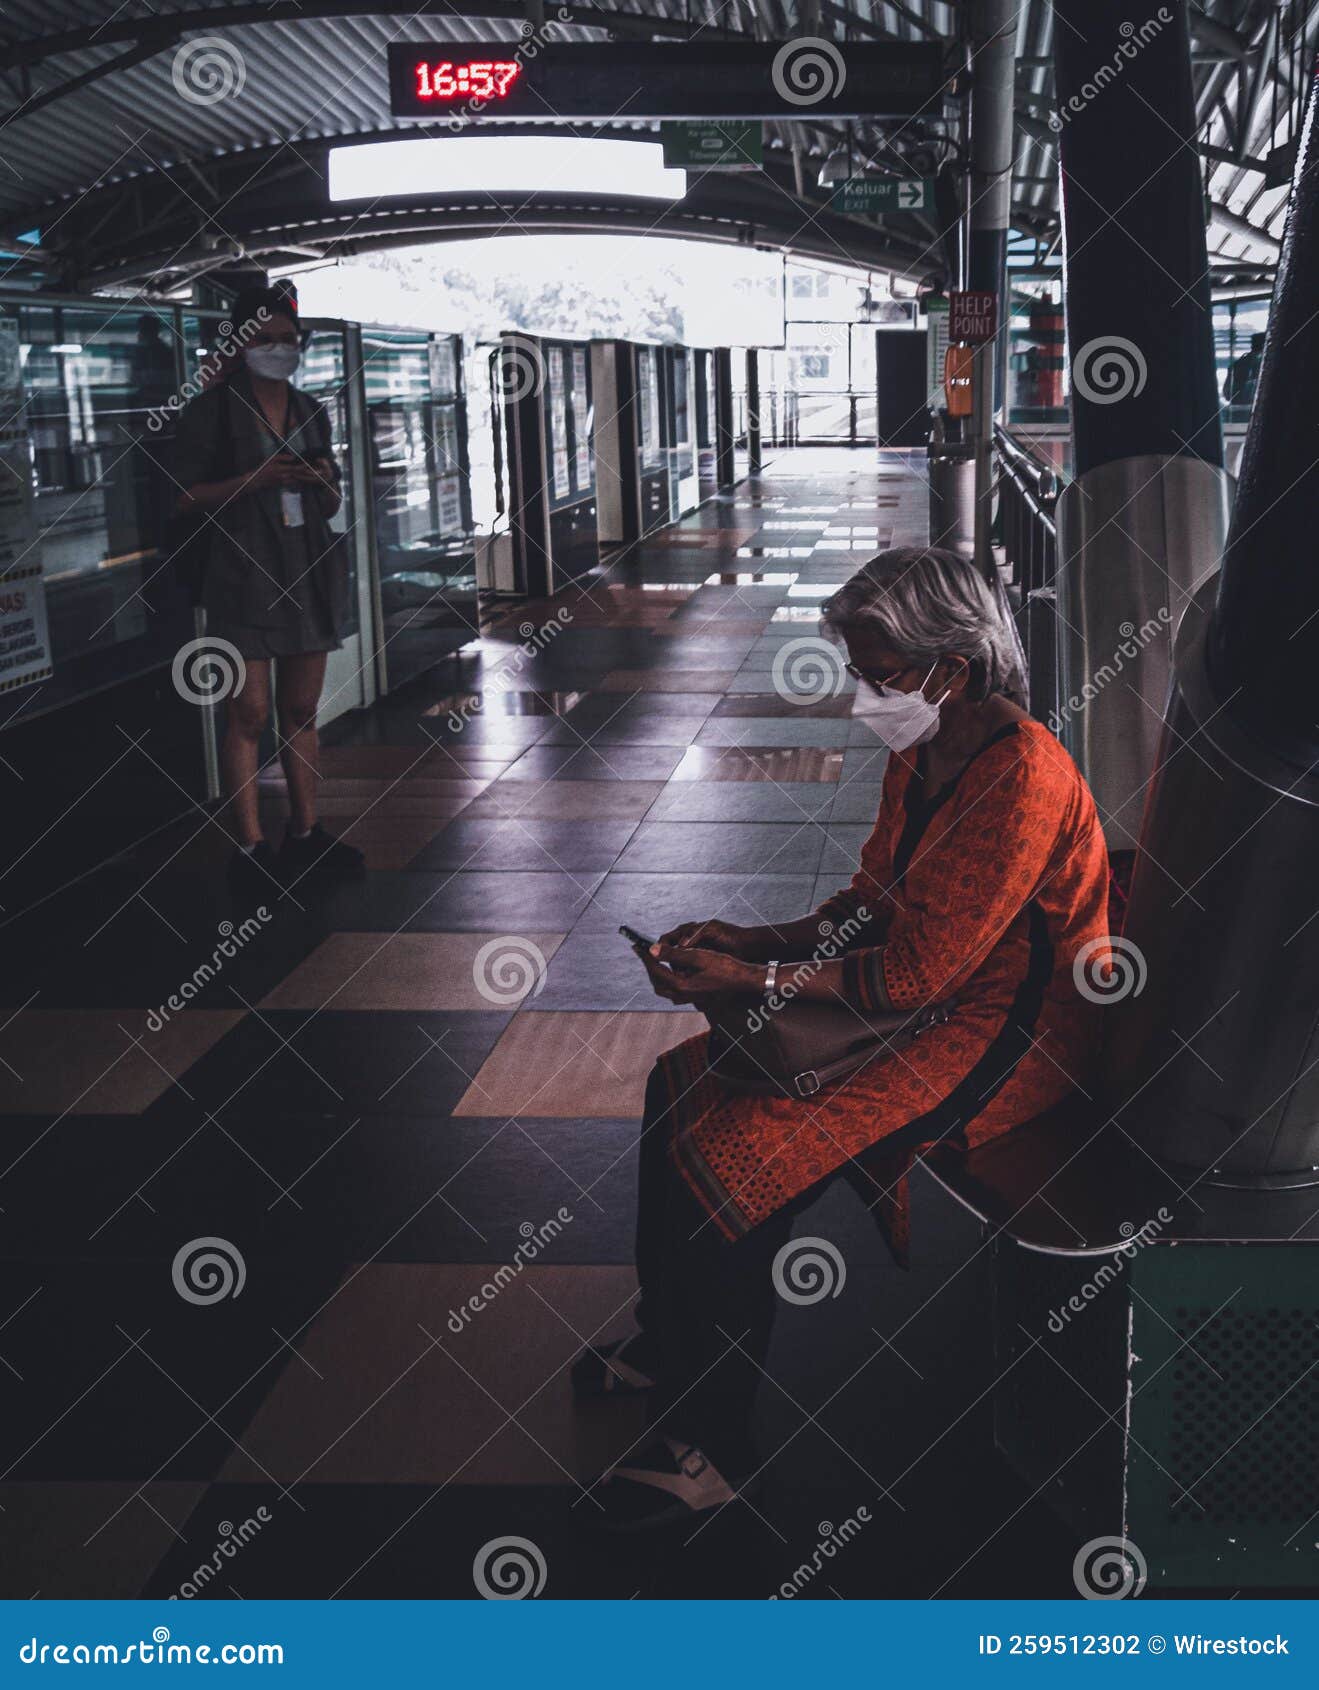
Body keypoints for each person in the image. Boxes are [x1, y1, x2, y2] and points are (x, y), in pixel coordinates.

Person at [574, 546, 1112, 1529]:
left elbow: (919, 975)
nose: (863, 692)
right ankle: (673, 1335)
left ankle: (708, 1448)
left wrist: (749, 977)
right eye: (856, 666)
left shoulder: (1022, 774)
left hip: (1011, 1034)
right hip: (927, 1001)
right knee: (679, 1084)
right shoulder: (924, 748)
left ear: (951, 664)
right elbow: (872, 905)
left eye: (878, 669)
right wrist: (749, 937)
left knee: (740, 1154)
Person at [174, 285, 364, 896]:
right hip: (241, 573)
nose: (279, 350)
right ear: (239, 344)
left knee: (301, 710)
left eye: (288, 340)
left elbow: (332, 500)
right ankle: (251, 845)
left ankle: (306, 831)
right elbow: (181, 496)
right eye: (264, 339)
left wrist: (321, 479)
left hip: (306, 570)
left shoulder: (311, 409)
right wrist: (254, 480)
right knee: (248, 712)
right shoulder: (210, 412)